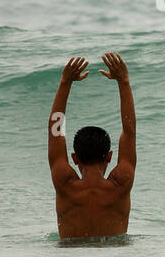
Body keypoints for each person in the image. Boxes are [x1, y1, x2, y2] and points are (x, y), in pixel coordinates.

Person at [47, 52, 136, 239]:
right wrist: (124, 82)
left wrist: (65, 83)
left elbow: (55, 132)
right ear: (110, 156)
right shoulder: (121, 184)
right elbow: (129, 131)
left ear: (74, 158)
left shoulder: (65, 183)